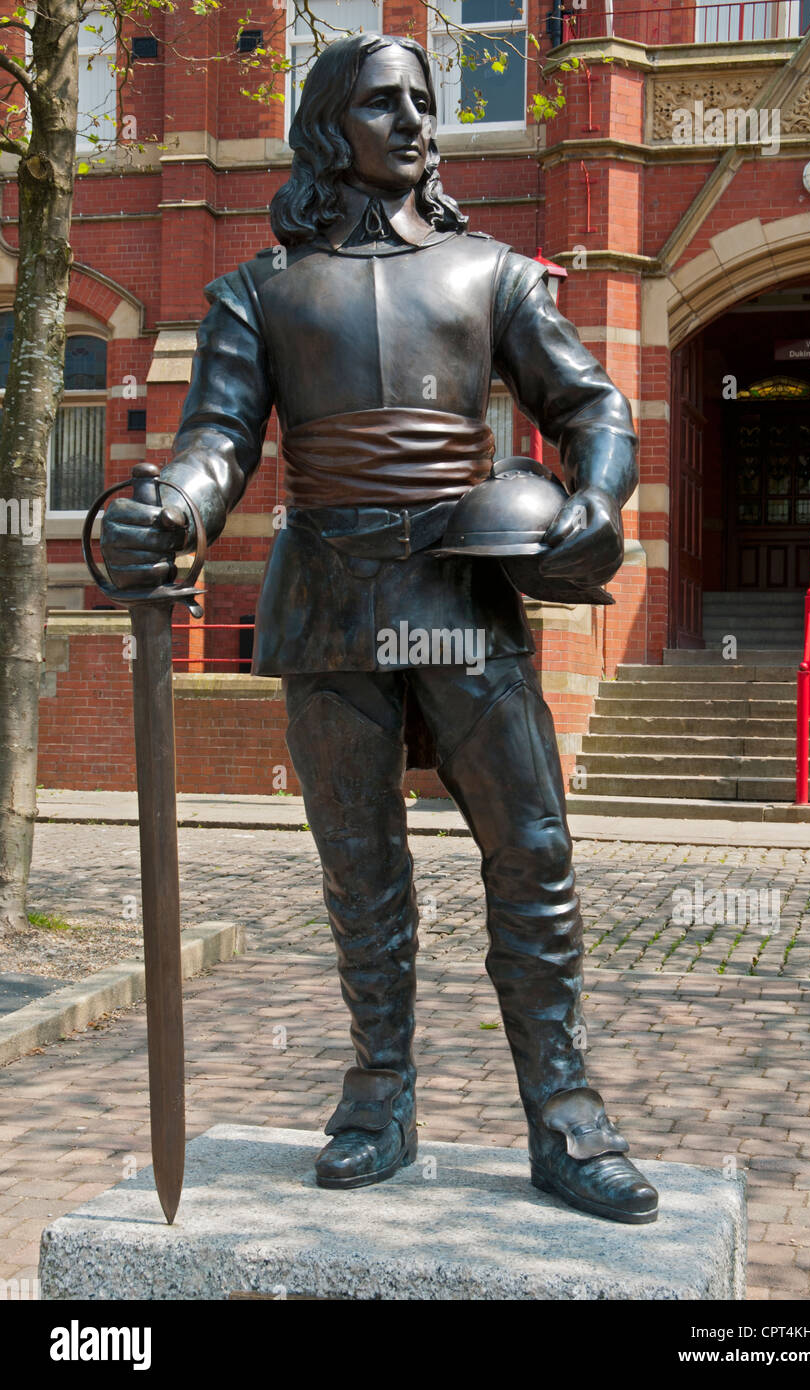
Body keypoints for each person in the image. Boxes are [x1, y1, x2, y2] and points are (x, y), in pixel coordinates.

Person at [101, 32, 658, 1224]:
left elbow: (591, 403)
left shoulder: (493, 274)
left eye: (423, 102)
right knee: (360, 874)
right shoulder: (256, 292)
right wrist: (172, 508)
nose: (411, 122)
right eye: (379, 103)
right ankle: (378, 1094)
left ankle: (562, 1111)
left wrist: (596, 501)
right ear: (328, 127)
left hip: (464, 600)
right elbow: (217, 444)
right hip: (330, 611)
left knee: (534, 857)